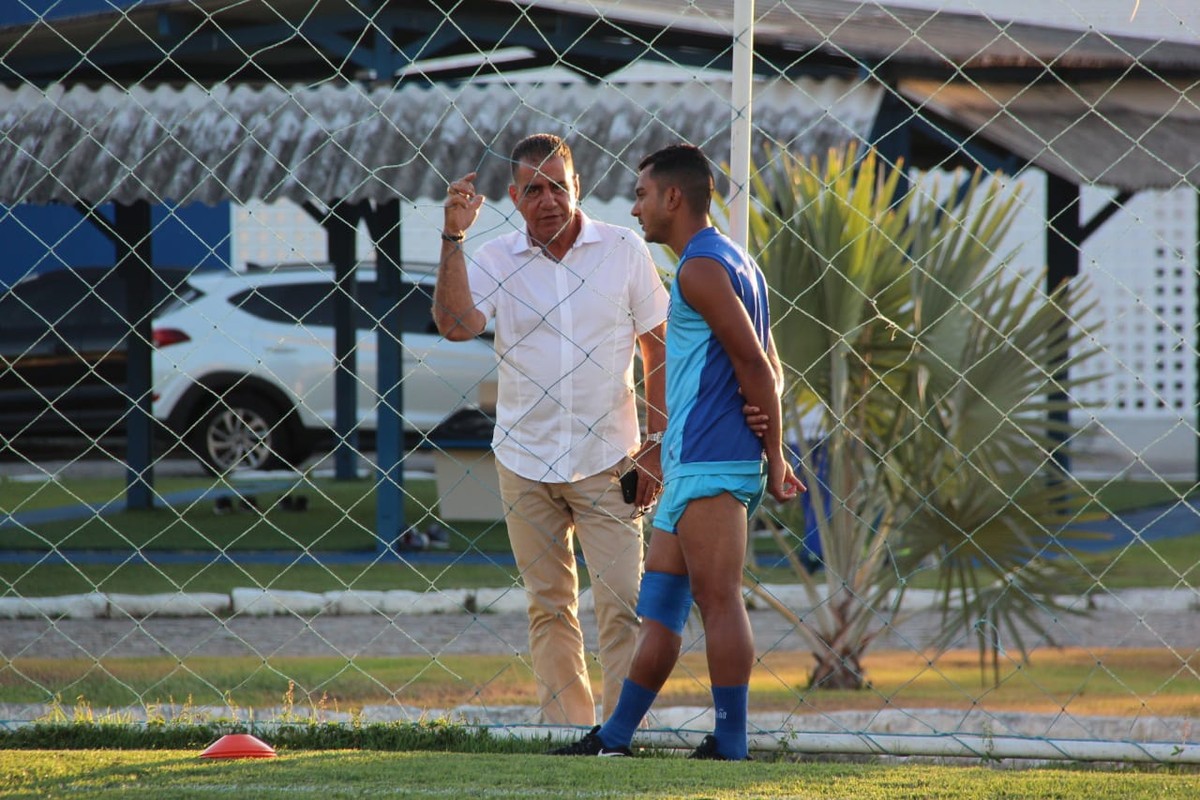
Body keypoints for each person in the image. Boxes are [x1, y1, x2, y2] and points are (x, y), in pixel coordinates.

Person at [550, 143, 804, 760]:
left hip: (712, 460)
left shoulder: (700, 269)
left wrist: (775, 456)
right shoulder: (732, 260)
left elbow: (755, 365)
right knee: (661, 608)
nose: (635, 209)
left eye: (641, 195)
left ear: (672, 197)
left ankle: (731, 742)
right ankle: (614, 737)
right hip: (693, 461)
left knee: (719, 601)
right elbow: (770, 368)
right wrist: (762, 427)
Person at [433, 133, 669, 726]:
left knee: (623, 604)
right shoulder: (495, 258)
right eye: (533, 189)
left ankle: (623, 733)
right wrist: (453, 237)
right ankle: (567, 731)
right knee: (548, 607)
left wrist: (656, 445)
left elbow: (658, 348)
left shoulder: (622, 249)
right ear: (514, 198)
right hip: (524, 460)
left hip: (610, 459)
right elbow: (456, 325)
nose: (548, 200)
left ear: (577, 187)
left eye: (558, 186)